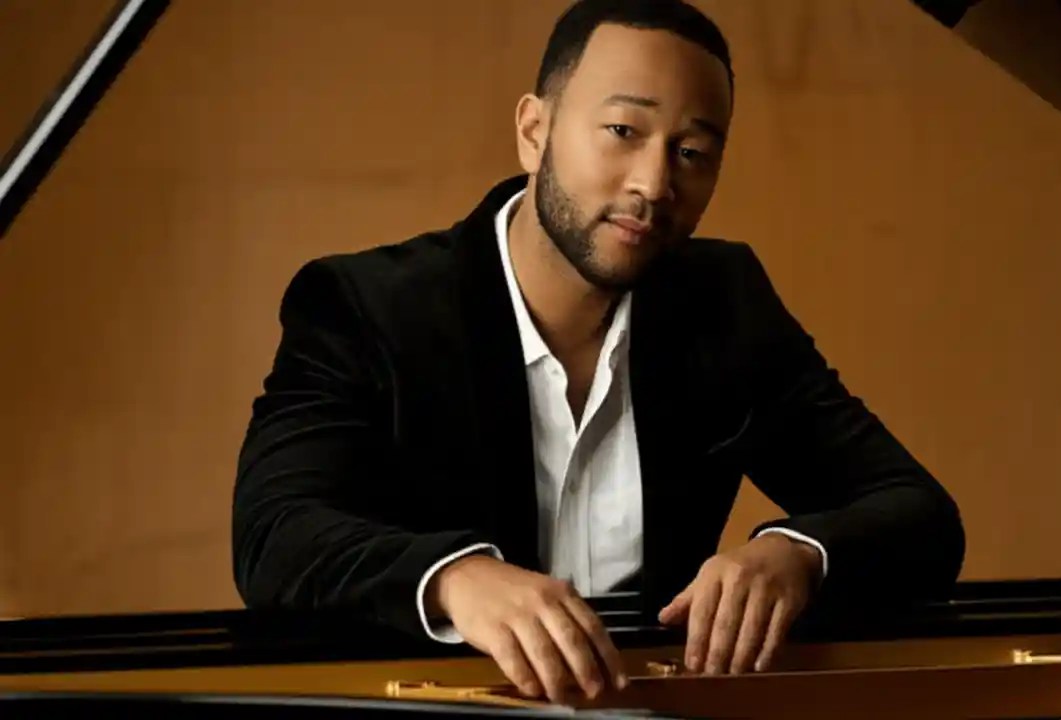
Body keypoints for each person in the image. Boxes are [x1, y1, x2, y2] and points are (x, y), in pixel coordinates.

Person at [231, 0, 965, 706]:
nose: (653, 184)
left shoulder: (723, 303)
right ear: (533, 129)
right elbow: (275, 533)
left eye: (692, 152)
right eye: (622, 129)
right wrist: (457, 578)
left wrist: (797, 553)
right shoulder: (364, 306)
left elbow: (919, 513)